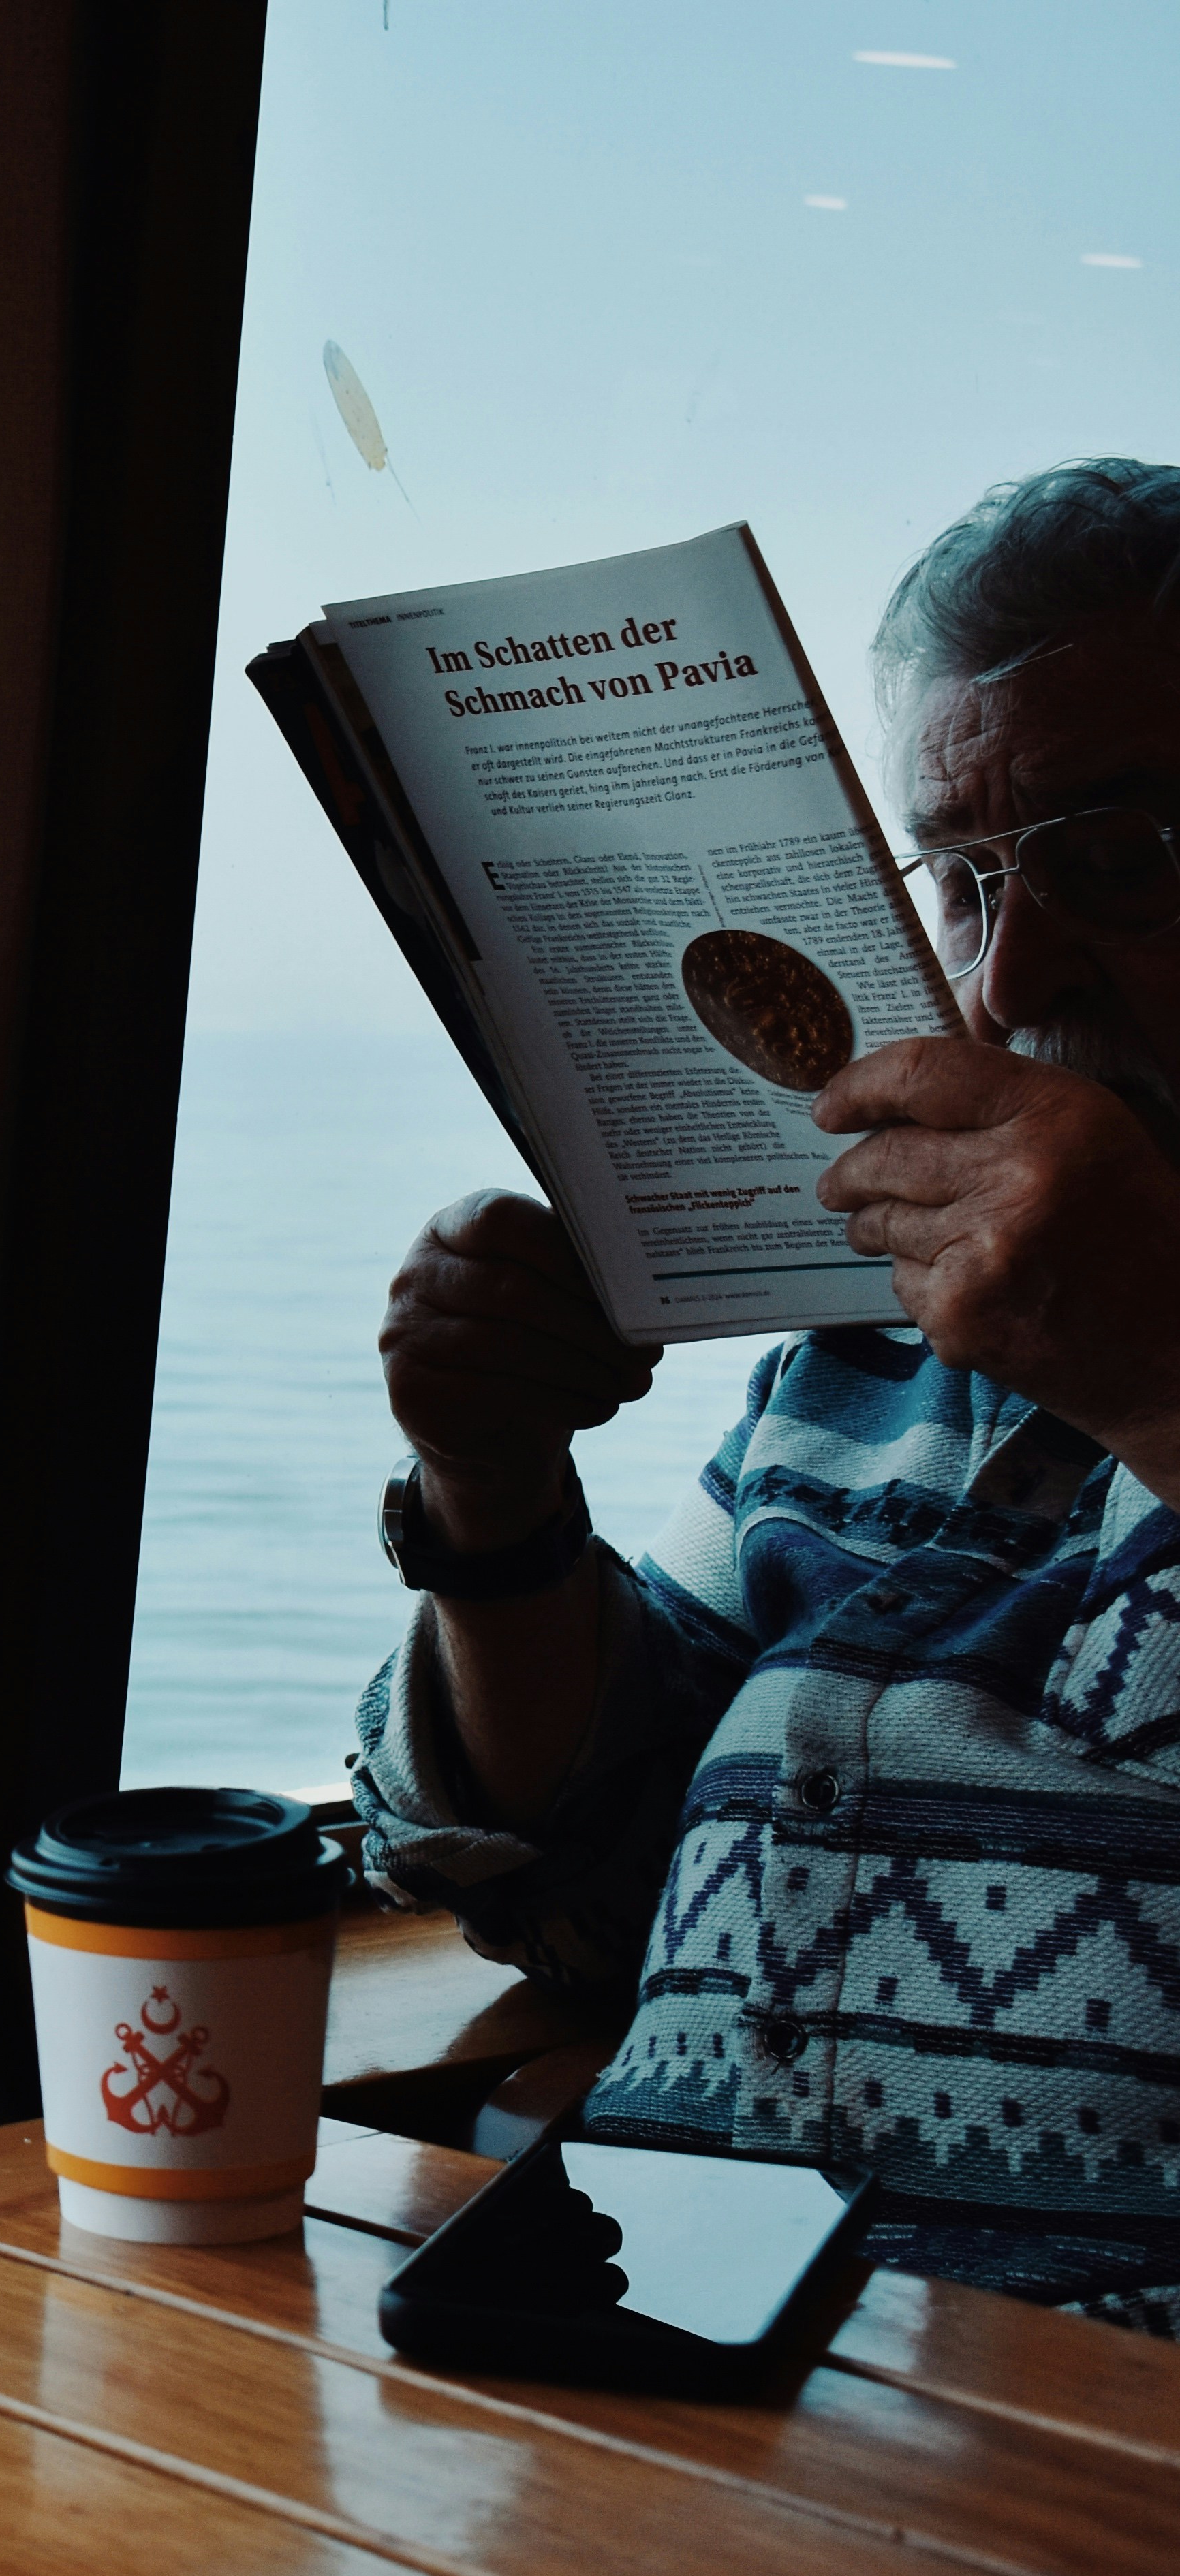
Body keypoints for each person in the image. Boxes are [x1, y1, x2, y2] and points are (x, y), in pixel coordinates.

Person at [356, 454, 1180, 2333]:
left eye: (1119, 862)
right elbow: (582, 1879)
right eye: (962, 881)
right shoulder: (862, 1355)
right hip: (681, 2344)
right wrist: (490, 1494)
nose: (1006, 976)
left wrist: (1156, 1370)